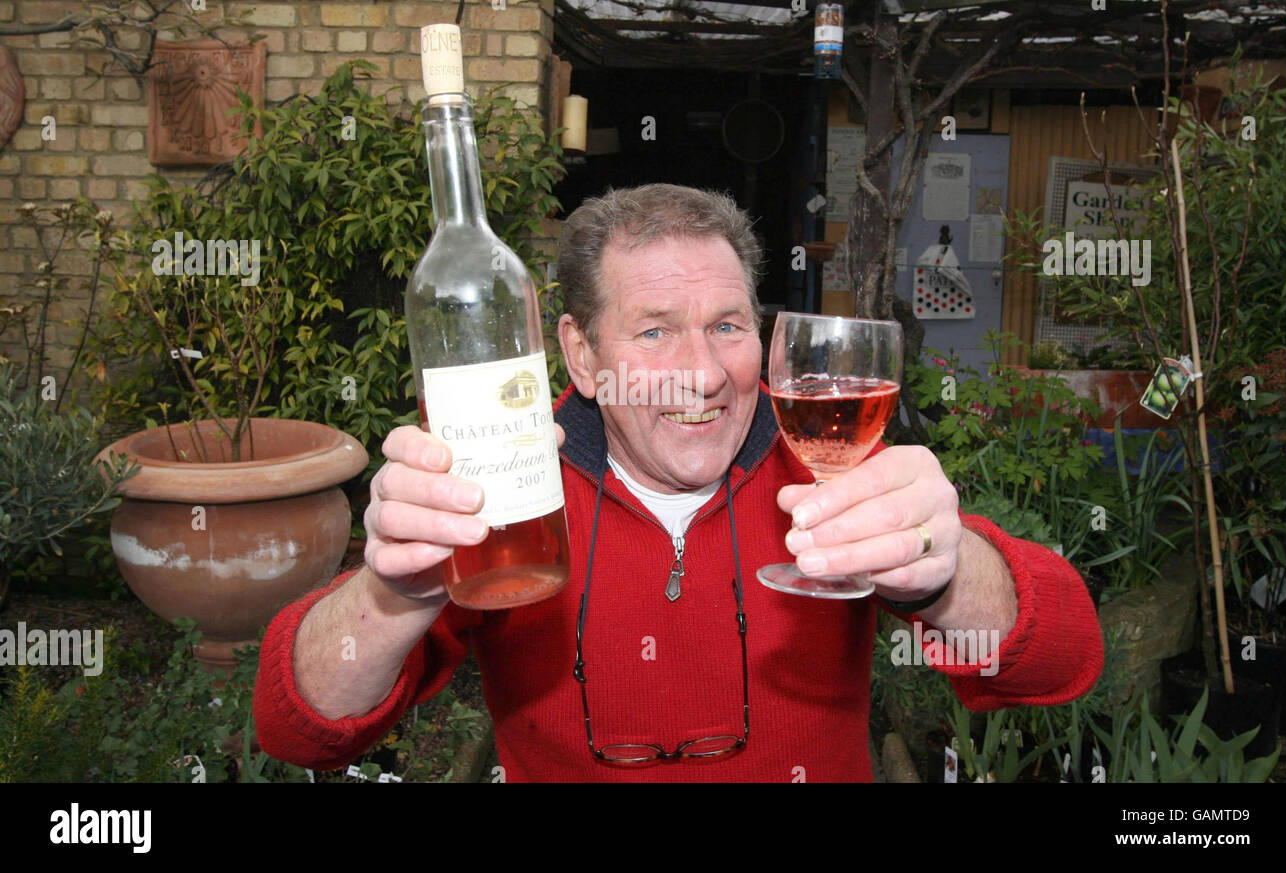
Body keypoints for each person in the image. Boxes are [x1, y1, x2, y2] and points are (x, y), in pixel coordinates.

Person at [253, 184, 1103, 782]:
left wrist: (948, 577)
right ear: (582, 353)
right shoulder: (508, 491)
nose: (702, 374)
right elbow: (300, 729)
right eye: (655, 331)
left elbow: (1063, 660)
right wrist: (394, 594)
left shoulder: (823, 458)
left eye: (728, 325)